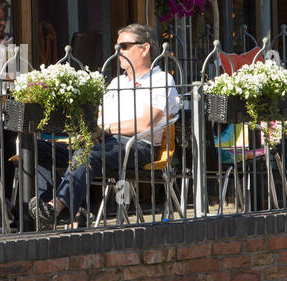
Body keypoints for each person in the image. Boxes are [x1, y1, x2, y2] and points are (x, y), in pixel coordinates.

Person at [29, 23, 180, 228]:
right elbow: (99, 116)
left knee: (87, 154)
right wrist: (92, 131)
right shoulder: (117, 82)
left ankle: (57, 207)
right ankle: (51, 210)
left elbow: (145, 122)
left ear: (144, 48)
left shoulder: (160, 79)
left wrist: (105, 129)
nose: (118, 52)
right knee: (38, 149)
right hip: (104, 141)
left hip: (138, 145)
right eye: (116, 47)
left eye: (124, 46)